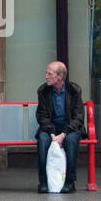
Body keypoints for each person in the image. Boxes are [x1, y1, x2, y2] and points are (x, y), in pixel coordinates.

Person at [35, 61, 85, 194]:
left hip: (70, 128)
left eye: (49, 73)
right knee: (43, 140)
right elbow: (42, 116)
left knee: (70, 141)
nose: (46, 76)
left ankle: (70, 182)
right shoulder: (43, 91)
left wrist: (63, 134)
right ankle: (44, 182)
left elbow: (78, 118)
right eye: (46, 73)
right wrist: (52, 134)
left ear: (60, 76)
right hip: (50, 128)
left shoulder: (74, 90)